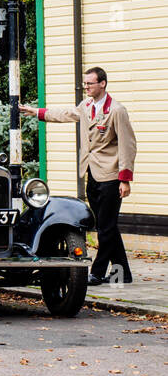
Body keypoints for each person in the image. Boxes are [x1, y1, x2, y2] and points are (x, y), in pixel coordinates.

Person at [22, 66, 137, 285]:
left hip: (111, 176)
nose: (86, 87)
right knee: (107, 226)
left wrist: (125, 179)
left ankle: (98, 272)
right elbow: (65, 114)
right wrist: (36, 112)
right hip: (91, 173)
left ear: (102, 84)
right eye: (85, 84)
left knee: (106, 226)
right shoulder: (86, 106)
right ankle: (124, 273)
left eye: (90, 84)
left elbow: (128, 145)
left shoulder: (117, 110)